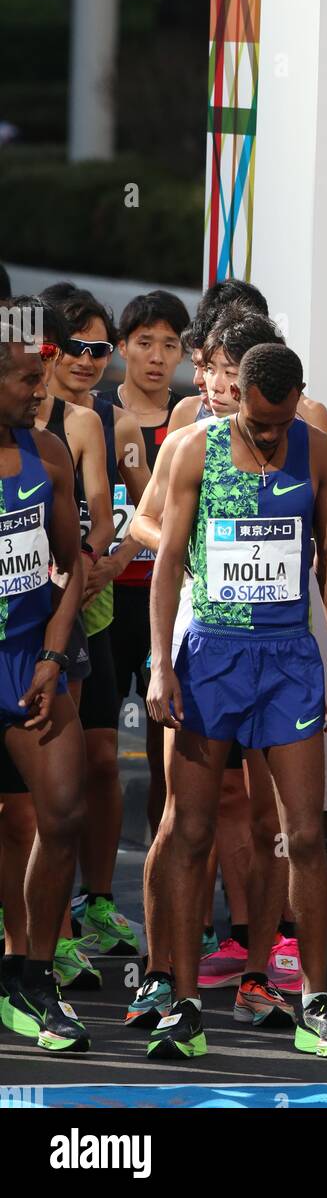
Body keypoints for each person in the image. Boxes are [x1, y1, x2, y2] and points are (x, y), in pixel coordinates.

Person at [146, 343, 327, 1060]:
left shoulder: (315, 446)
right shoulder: (193, 449)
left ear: (299, 397)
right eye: (257, 421)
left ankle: (316, 1003)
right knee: (191, 831)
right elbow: (168, 560)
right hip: (212, 655)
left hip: (289, 658)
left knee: (304, 835)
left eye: (280, 422)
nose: (269, 435)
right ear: (235, 394)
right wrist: (160, 665)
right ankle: (183, 1003)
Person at [45, 287, 151, 959]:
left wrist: (110, 561)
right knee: (39, 778)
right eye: (76, 347)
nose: (88, 360)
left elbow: (151, 510)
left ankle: (99, 900)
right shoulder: (24, 419)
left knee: (101, 761)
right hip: (34, 613)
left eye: (100, 348)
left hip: (96, 611)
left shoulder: (115, 425)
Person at [0, 320, 90, 1052]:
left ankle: (32, 974)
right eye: (27, 379)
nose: (41, 391)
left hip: (27, 659)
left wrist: (55, 655)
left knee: (62, 813)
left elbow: (74, 564)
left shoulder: (48, 451)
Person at [98, 290, 190, 835]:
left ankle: (163, 860)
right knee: (96, 749)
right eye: (144, 342)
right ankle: (90, 873)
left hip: (169, 599)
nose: (157, 356)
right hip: (107, 600)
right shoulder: (95, 415)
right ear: (122, 348)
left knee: (167, 753)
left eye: (169, 345)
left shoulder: (193, 419)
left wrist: (131, 551)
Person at [168, 280, 269, 435]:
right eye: (210, 368)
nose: (199, 379)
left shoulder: (301, 421)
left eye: (229, 372)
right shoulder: (202, 426)